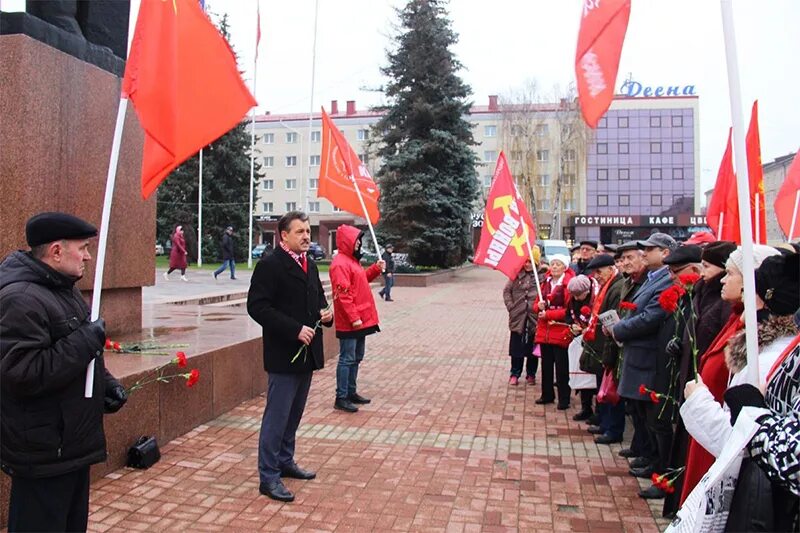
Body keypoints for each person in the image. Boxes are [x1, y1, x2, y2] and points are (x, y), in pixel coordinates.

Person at [1, 212, 128, 531]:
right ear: (57, 251)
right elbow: (23, 372)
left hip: (72, 445)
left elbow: (83, 356)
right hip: (44, 452)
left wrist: (106, 385)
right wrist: (86, 341)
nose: (87, 255)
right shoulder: (20, 299)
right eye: (83, 247)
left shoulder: (64, 289)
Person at [678, 244, 781, 504]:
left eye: (731, 273)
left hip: (721, 436)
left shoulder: (760, 339)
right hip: (709, 429)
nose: (724, 278)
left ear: (751, 282)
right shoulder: (738, 318)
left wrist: (701, 402)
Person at [246, 211, 333, 503]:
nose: (307, 236)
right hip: (284, 354)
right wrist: (294, 329)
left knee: (293, 414)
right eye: (300, 232)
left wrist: (326, 313)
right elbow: (257, 307)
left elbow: (318, 299)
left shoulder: (309, 264)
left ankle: (285, 461)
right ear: (284, 235)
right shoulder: (271, 265)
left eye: (308, 231)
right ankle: (268, 476)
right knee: (277, 416)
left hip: (306, 355)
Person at [610, 233, 677, 481]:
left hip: (649, 357)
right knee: (641, 413)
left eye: (650, 249)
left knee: (653, 418)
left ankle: (657, 464)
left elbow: (650, 317)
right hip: (637, 352)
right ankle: (649, 457)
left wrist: (618, 329)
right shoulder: (653, 279)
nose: (644, 254)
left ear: (666, 253)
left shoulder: (667, 282)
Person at [330, 225, 385, 413]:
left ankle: (351, 392)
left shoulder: (352, 262)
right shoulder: (340, 263)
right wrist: (353, 318)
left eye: (359, 240)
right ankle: (341, 396)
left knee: (356, 357)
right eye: (356, 240)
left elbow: (360, 281)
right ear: (348, 241)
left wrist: (375, 269)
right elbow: (343, 294)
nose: (359, 243)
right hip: (351, 321)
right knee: (347, 358)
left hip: (360, 319)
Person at [581, 253, 626, 444]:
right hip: (601, 344)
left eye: (599, 271)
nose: (596, 276)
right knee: (603, 387)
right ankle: (604, 423)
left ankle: (613, 429)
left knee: (611, 391)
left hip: (610, 344)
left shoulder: (617, 286)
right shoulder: (607, 285)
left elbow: (612, 317)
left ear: (610, 268)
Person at [534, 254, 575, 409]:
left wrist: (549, 314)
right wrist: (539, 306)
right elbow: (536, 304)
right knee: (546, 365)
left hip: (560, 330)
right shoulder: (545, 283)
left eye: (558, 264)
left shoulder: (569, 284)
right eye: (553, 264)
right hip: (545, 331)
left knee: (562, 367)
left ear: (565, 267)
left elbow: (569, 310)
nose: (555, 267)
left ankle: (564, 399)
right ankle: (547, 394)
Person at [503, 258, 540, 386]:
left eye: (530, 262)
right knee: (516, 347)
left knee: (533, 347)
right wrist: (511, 307)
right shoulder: (515, 275)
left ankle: (531, 373)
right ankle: (515, 373)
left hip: (534, 317)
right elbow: (507, 291)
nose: (528, 265)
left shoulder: (541, 277)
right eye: (526, 262)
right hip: (518, 316)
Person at [565, 274, 597, 419]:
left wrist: (588, 329)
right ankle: (586, 407)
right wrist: (572, 325)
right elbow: (568, 315)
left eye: (579, 295)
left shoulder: (595, 298)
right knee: (581, 372)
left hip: (594, 342)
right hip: (579, 340)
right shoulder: (573, 300)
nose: (577, 298)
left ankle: (598, 410)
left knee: (593, 376)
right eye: (574, 295)